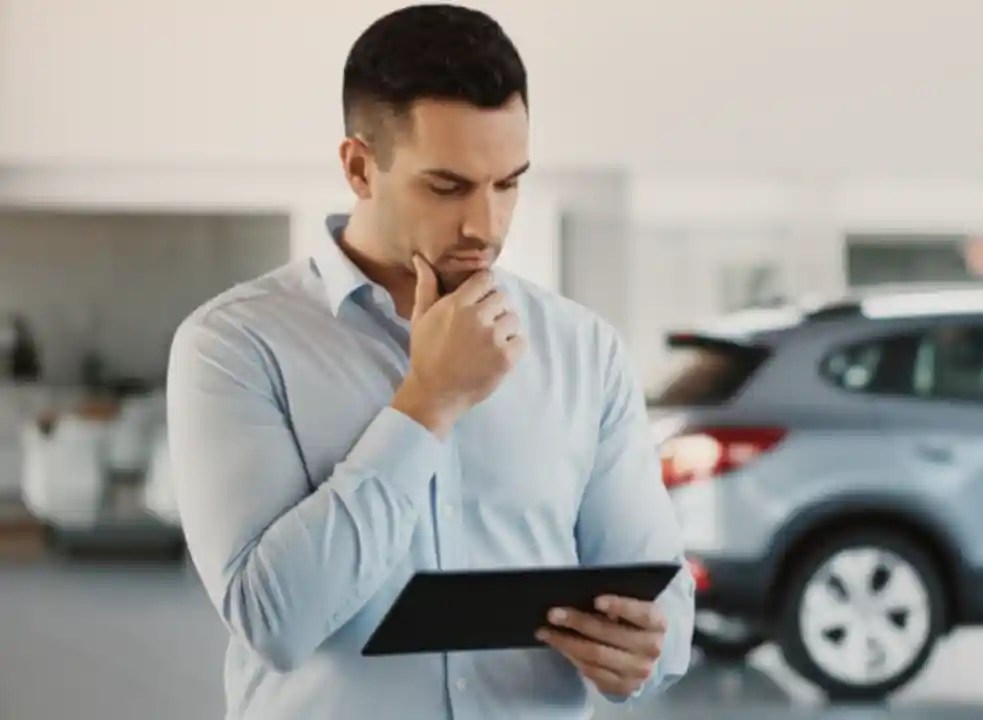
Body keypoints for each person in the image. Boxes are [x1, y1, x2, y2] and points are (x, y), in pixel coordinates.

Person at [166, 5, 693, 718]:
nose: (487, 225)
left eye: (508, 183)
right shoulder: (235, 347)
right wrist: (429, 402)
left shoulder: (583, 350)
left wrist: (648, 653)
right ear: (358, 166)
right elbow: (274, 624)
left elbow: (663, 607)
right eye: (447, 187)